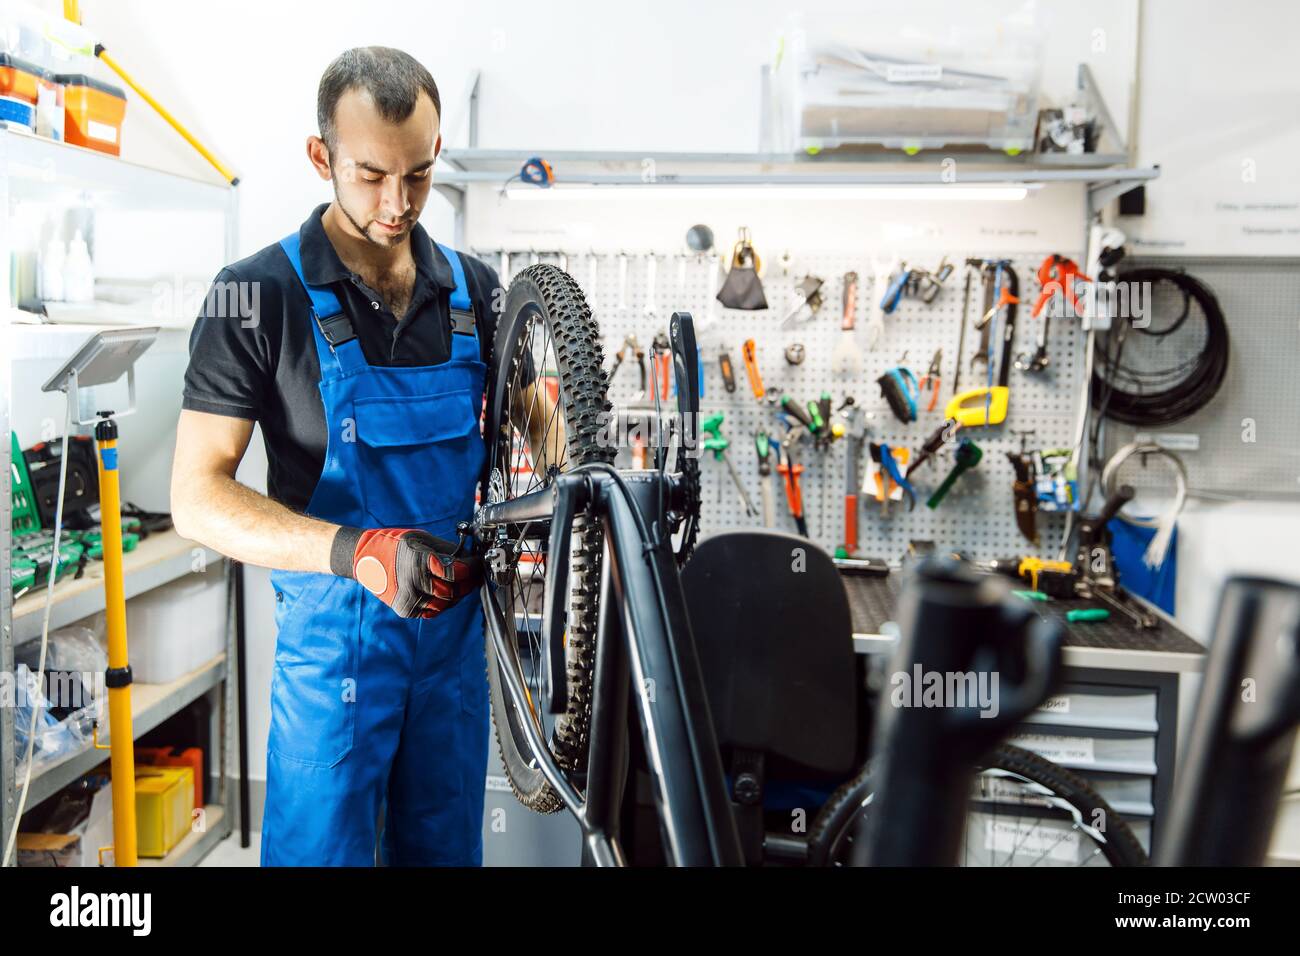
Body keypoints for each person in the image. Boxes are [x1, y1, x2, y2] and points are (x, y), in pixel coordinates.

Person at [171, 46, 557, 866]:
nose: (398, 202)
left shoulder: (479, 292)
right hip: (334, 648)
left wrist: (550, 474)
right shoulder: (255, 296)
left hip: (451, 648)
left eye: (418, 174)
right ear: (322, 158)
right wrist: (356, 552)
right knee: (324, 855)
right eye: (373, 174)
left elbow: (543, 435)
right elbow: (196, 498)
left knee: (443, 853)